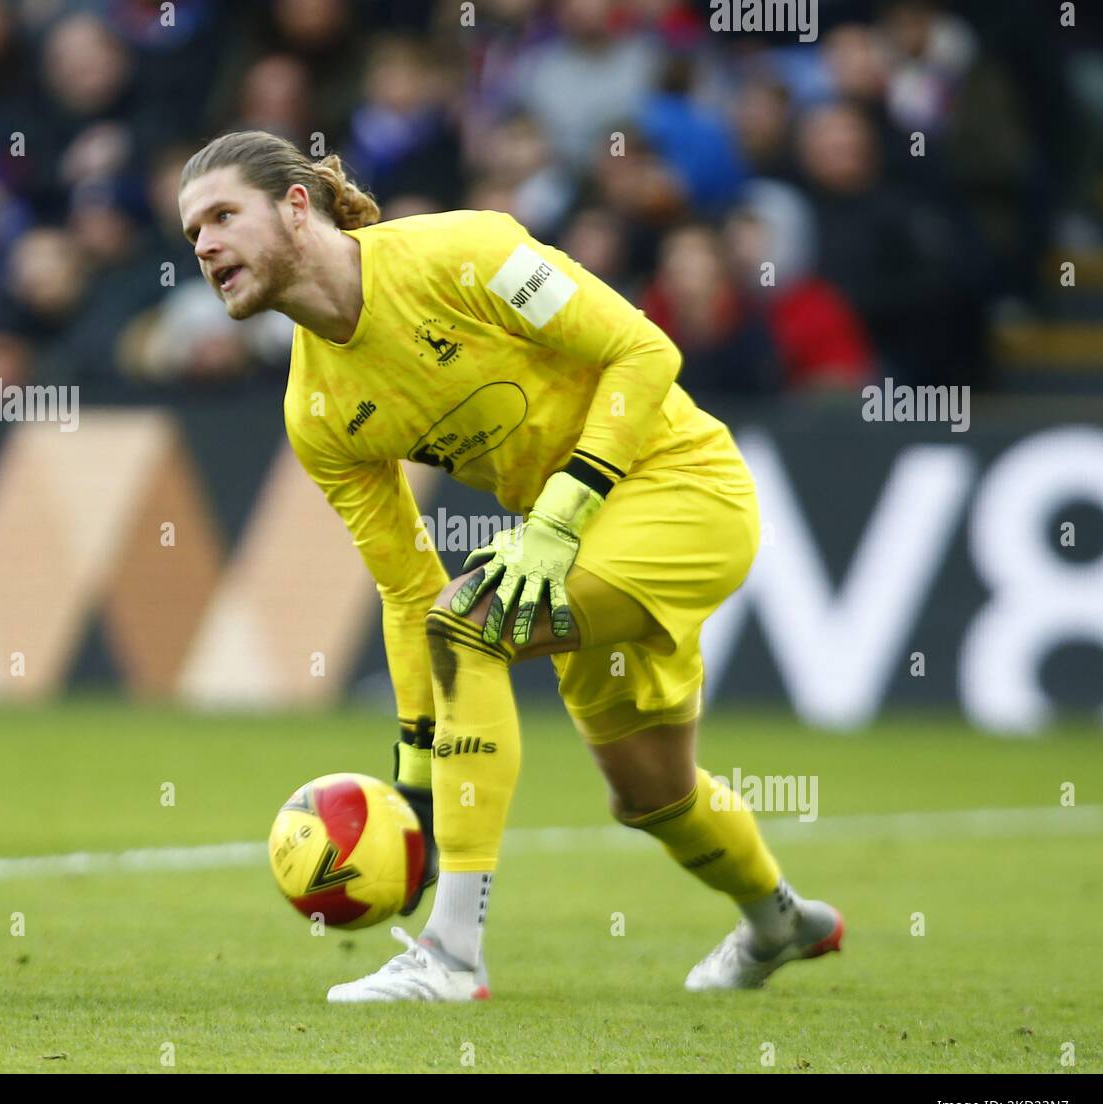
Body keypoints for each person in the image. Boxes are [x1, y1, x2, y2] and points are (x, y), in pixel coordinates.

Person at [177, 130, 843, 1001]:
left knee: (468, 630)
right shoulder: (316, 411)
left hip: (681, 491)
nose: (205, 246)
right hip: (572, 548)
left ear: (296, 207)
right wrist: (416, 785)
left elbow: (645, 352)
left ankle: (453, 957)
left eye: (224, 216)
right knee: (650, 796)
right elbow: (405, 586)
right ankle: (779, 921)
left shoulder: (466, 251)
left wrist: (561, 516)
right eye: (191, 234)